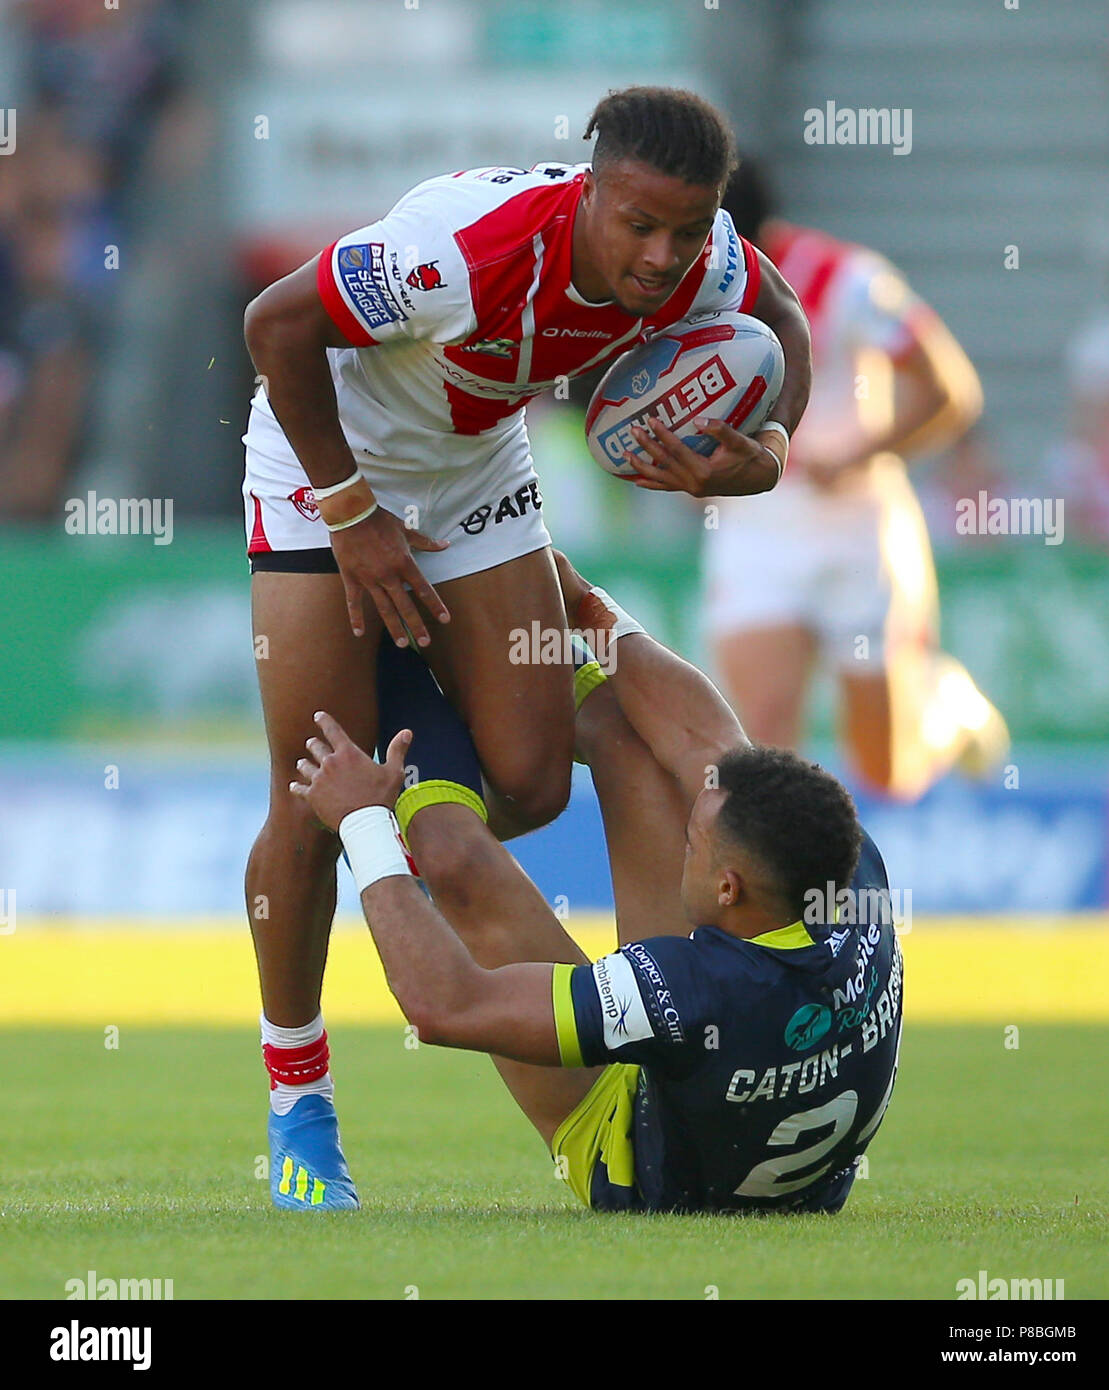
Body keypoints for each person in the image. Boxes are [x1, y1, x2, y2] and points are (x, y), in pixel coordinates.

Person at [242, 88, 812, 1205]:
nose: (661, 256)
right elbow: (275, 326)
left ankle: (409, 719)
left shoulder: (702, 259)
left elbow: (784, 319)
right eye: (636, 223)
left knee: (530, 780)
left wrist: (774, 442)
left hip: (475, 466)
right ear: (586, 190)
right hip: (327, 463)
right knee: (309, 794)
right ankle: (298, 1101)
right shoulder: (458, 254)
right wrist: (355, 518)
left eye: (686, 229)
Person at [282, 559, 902, 1215]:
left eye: (692, 844)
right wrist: (582, 603)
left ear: (728, 888)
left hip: (641, 1161)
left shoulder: (693, 989)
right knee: (635, 739)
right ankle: (462, 613)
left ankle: (391, 649)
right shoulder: (848, 870)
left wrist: (362, 821)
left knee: (454, 858)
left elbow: (447, 1007)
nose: (680, 842)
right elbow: (705, 741)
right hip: (742, 1105)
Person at [703, 157, 1008, 799]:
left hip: (857, 530)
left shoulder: (844, 278)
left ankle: (949, 705)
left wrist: (857, 456)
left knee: (889, 770)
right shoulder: (685, 292)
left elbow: (951, 391)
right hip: (758, 528)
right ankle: (791, 898)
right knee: (765, 745)